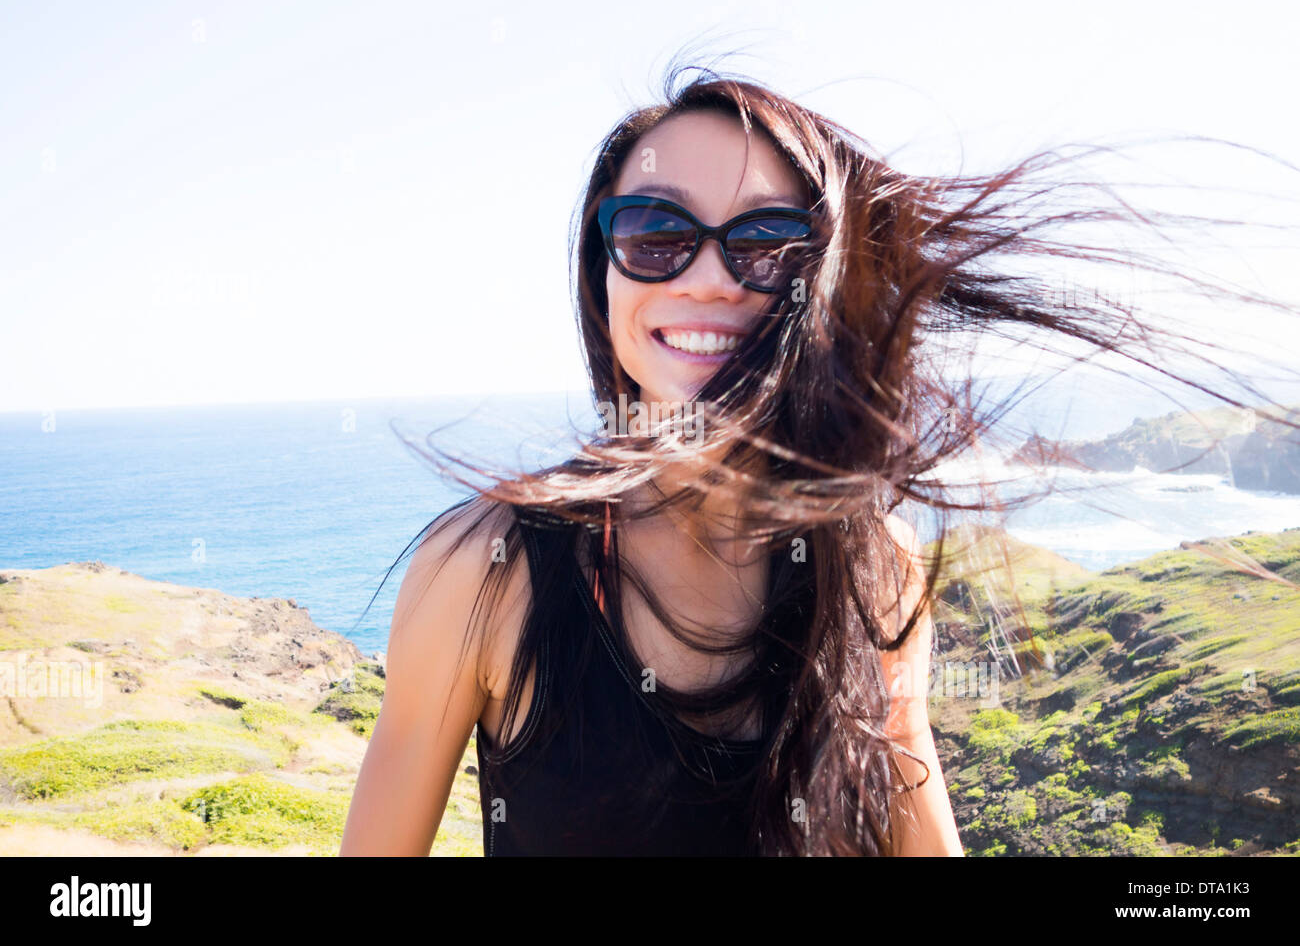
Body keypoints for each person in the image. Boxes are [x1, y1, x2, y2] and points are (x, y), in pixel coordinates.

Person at [339, 63, 1299, 857]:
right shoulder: (485, 568)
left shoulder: (873, 563)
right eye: (655, 233)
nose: (708, 275)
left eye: (767, 244)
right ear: (603, 277)